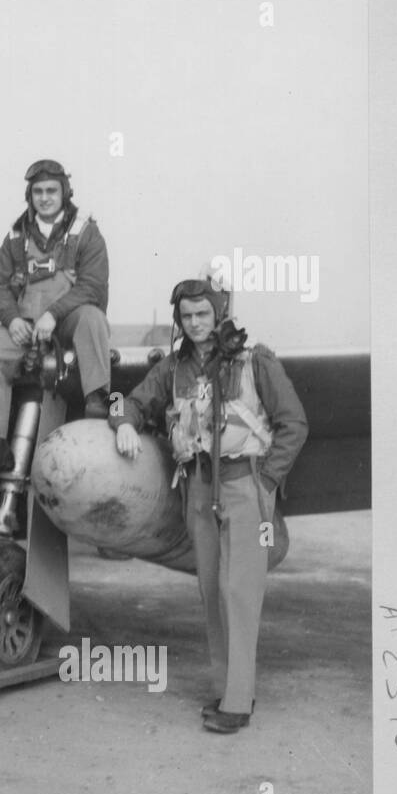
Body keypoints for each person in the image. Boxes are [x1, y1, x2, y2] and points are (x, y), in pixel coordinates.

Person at [109, 278, 308, 734]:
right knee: (212, 591)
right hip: (198, 487)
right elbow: (131, 401)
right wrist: (123, 422)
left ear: (218, 314)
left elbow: (294, 423)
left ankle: (237, 703)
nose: (195, 323)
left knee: (238, 591)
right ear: (179, 320)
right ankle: (227, 689)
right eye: (187, 316)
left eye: (203, 314)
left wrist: (268, 480)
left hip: (243, 483)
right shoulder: (172, 367)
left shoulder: (255, 358)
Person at [0, 159, 112, 477]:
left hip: (69, 316)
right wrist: (12, 320)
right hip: (25, 320)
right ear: (30, 195)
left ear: (64, 192)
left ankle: (97, 402)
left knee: (93, 320)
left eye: (52, 190)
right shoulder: (16, 236)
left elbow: (93, 285)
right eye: (38, 191)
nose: (45, 197)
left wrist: (53, 314)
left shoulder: (86, 232)